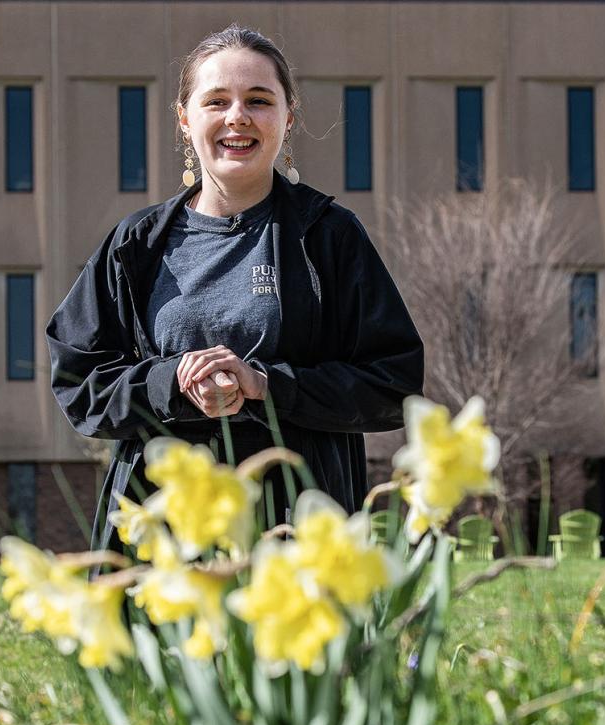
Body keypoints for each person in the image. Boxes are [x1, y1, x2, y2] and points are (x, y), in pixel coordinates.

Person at [46, 24, 424, 552]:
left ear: (288, 118)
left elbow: (393, 384)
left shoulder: (328, 235)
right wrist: (171, 381)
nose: (237, 117)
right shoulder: (135, 244)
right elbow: (78, 382)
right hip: (163, 532)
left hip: (297, 524)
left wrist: (267, 386)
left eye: (259, 100)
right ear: (184, 120)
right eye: (216, 101)